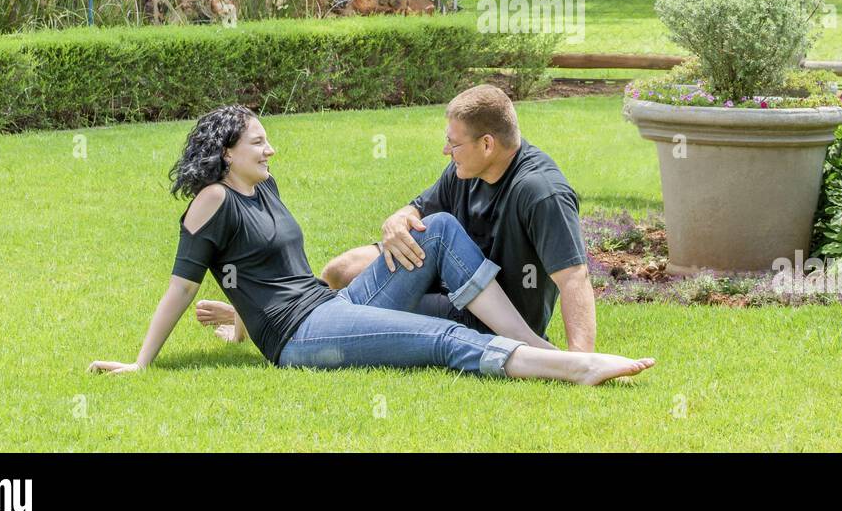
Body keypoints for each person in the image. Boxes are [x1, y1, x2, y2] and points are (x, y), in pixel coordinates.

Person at [88, 105, 654, 386]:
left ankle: (540, 345)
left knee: (438, 232)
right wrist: (141, 364)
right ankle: (569, 368)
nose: (272, 151)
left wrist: (238, 319)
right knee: (445, 337)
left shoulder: (264, 188)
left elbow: (270, 271)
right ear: (228, 152)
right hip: (300, 338)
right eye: (260, 143)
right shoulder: (211, 200)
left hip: (329, 307)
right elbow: (182, 286)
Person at [198, 84, 598, 351]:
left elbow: (573, 278)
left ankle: (256, 318)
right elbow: (418, 209)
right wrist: (397, 219)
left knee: (364, 314)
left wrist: (581, 358)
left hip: (487, 315)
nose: (446, 150)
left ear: (488, 144)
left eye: (453, 143)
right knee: (342, 269)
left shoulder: (539, 191)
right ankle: (267, 315)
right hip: (443, 280)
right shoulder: (465, 171)